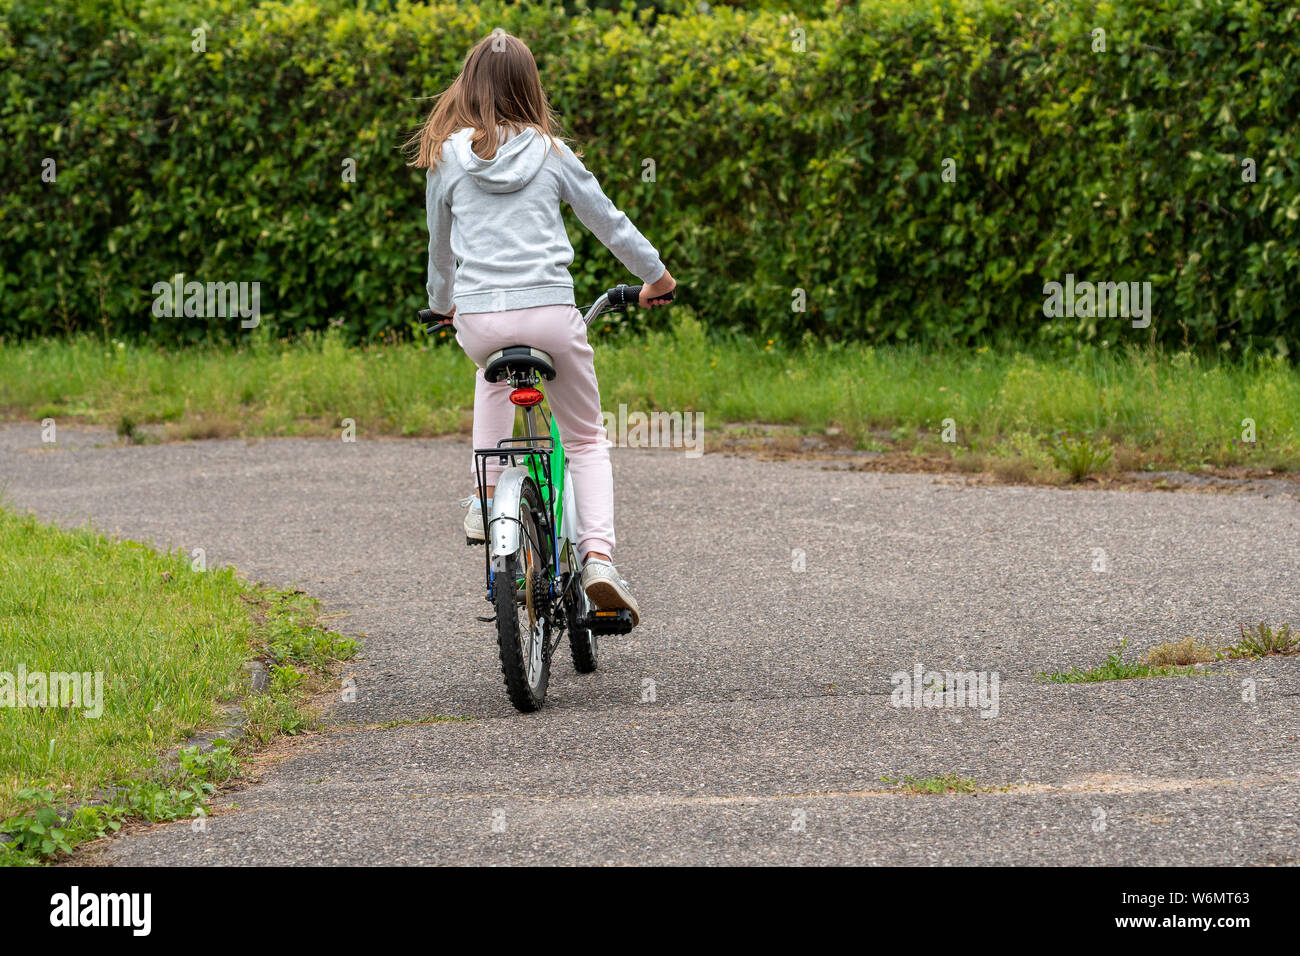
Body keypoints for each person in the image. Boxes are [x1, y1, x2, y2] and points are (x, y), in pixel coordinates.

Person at [408, 31, 674, 627]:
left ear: (468, 86)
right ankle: (598, 561)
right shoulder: (552, 153)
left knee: (490, 374)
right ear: (530, 87)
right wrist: (655, 276)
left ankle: (484, 499)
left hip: (480, 320)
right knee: (583, 440)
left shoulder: (446, 157)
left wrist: (444, 304)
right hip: (552, 317)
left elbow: (440, 253)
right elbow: (609, 221)